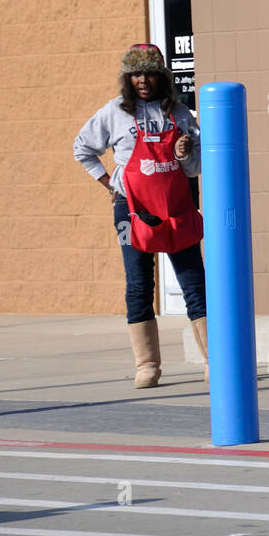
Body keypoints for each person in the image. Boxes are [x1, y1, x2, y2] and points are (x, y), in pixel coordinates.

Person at [73, 43, 208, 388]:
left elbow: (194, 171)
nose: (143, 80)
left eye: (149, 73)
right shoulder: (114, 112)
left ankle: (214, 361)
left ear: (162, 76)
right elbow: (82, 148)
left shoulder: (180, 115)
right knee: (138, 284)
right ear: (127, 78)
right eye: (135, 74)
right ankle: (147, 365)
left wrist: (185, 151)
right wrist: (110, 183)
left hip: (176, 207)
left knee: (194, 282)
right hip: (130, 211)